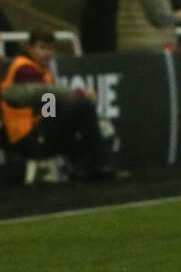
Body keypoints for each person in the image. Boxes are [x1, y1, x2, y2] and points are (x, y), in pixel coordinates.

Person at [0, 30, 122, 181]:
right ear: (30, 48)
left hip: (34, 133)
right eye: (42, 48)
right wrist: (78, 96)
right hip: (27, 138)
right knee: (82, 107)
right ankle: (101, 165)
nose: (47, 53)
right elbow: (45, 97)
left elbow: (48, 109)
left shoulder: (42, 70)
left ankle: (83, 168)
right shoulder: (25, 69)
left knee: (81, 119)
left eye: (50, 48)